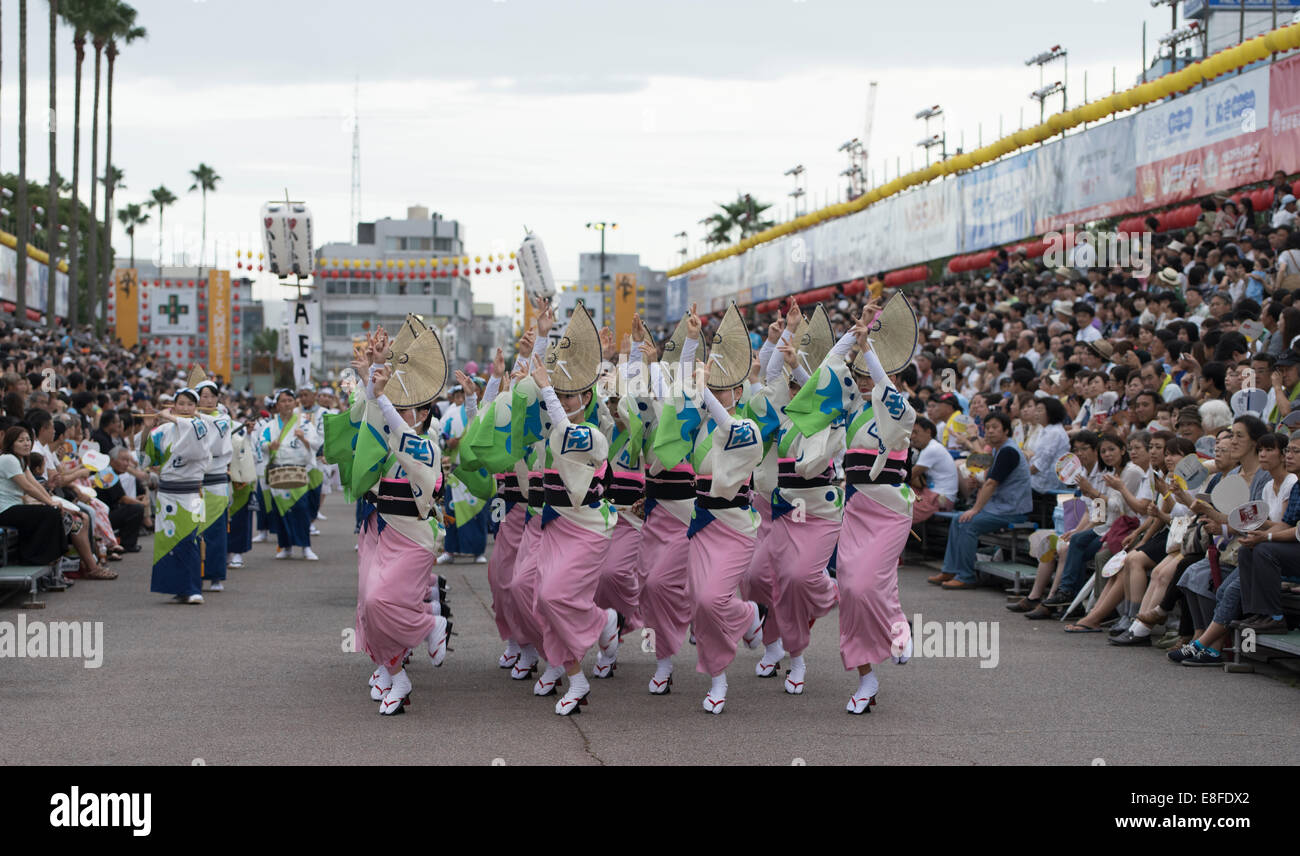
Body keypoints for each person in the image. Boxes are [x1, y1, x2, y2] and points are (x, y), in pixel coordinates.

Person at [786, 305, 917, 714]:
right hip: (857, 506)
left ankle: (897, 627)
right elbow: (819, 386)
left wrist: (868, 350)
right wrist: (849, 338)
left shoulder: (900, 409)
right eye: (858, 374)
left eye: (869, 375)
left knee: (866, 584)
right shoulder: (850, 411)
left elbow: (887, 393)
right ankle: (866, 677)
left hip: (891, 508)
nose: (862, 380)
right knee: (853, 589)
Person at [334, 324, 451, 715]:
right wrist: (373, 375)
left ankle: (429, 624)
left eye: (408, 408)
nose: (400, 414)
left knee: (384, 600)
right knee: (368, 606)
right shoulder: (385, 434)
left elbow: (400, 436)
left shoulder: (427, 446)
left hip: (414, 535)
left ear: (423, 413)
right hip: (378, 527)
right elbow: (368, 421)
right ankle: (393, 672)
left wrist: (381, 394)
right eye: (398, 407)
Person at [931, 412, 1032, 589]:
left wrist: (975, 509)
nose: (990, 431)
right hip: (999, 508)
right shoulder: (998, 450)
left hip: (1012, 511)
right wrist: (978, 483)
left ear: (1006, 430)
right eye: (987, 428)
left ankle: (966, 576)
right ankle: (950, 569)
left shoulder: (1009, 451)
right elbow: (990, 481)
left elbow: (992, 483)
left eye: (995, 427)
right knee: (957, 520)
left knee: (968, 523)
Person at [140, 390, 213, 603]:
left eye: (190, 404)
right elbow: (146, 458)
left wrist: (168, 416)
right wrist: (147, 427)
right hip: (167, 493)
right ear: (174, 405)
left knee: (191, 539)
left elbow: (195, 445)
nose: (185, 408)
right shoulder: (162, 431)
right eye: (181, 404)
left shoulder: (200, 426)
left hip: (191, 492)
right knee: (169, 541)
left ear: (196, 408)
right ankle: (178, 588)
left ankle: (193, 588)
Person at [258, 389, 320, 561]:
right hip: (279, 471)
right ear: (277, 405)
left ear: (294, 403)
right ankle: (285, 546)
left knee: (301, 509)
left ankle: (305, 547)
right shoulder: (270, 425)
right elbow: (261, 442)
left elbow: (315, 443)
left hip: (298, 471)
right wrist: (270, 445)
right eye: (283, 401)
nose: (286, 404)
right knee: (281, 511)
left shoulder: (304, 423)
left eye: (289, 400)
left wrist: (303, 439)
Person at [0, 425, 72, 568]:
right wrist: (50, 503)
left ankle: (45, 557)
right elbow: (27, 487)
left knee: (51, 512)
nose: (26, 443)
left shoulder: (21, 460)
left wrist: (50, 501)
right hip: (4, 510)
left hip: (15, 507)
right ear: (11, 442)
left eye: (28, 440)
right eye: (21, 441)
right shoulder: (8, 459)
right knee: (49, 513)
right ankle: (36, 558)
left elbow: (36, 484)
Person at [196, 376, 233, 591]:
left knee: (216, 531)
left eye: (211, 397)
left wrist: (191, 416)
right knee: (195, 530)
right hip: (195, 481)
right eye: (203, 397)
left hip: (217, 481)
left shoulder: (222, 419)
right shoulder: (191, 418)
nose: (208, 401)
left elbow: (217, 444)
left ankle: (216, 575)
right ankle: (196, 573)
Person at [94, 447, 146, 554]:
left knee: (133, 507)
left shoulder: (109, 472)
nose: (127, 464)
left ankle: (122, 541)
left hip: (105, 514)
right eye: (124, 460)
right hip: (101, 518)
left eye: (128, 460)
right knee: (137, 509)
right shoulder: (108, 474)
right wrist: (142, 503)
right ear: (112, 460)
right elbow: (124, 499)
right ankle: (128, 544)